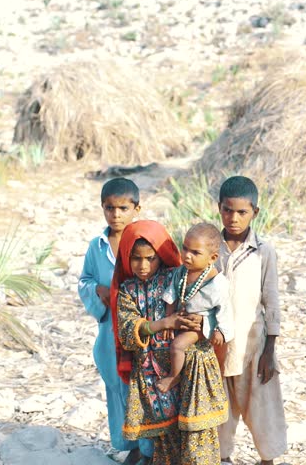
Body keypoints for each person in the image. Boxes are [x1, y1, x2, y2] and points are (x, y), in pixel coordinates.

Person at [113, 220, 223, 465]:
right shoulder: (128, 290)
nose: (143, 266)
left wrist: (203, 320)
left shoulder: (177, 277)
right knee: (165, 439)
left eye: (150, 258)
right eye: (135, 258)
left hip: (191, 366)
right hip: (151, 372)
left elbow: (212, 301)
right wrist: (164, 323)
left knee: (196, 432)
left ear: (160, 256)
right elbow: (127, 330)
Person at [214, 177, 288, 465]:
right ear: (219, 208)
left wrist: (270, 350)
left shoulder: (263, 251)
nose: (234, 218)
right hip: (216, 346)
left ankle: (267, 459)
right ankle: (222, 457)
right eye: (228, 210)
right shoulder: (210, 248)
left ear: (254, 212)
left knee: (261, 408)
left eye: (242, 212)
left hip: (253, 346)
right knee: (219, 409)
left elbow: (271, 301)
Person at [78, 178, 148, 465]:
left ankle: (151, 448)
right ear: (102, 208)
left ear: (136, 209)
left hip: (144, 330)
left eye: (123, 208)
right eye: (109, 208)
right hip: (111, 332)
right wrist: (98, 290)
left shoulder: (146, 241)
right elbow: (84, 279)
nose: (116, 215)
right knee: (118, 387)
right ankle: (130, 445)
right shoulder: (97, 247)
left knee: (145, 386)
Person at [156, 223, 234, 398]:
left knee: (177, 345)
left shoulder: (217, 284)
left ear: (212, 258)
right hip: (181, 318)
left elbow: (224, 310)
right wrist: (168, 320)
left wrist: (220, 331)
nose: (187, 256)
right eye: (185, 248)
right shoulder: (182, 272)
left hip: (200, 325)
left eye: (195, 253)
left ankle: (174, 376)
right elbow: (171, 295)